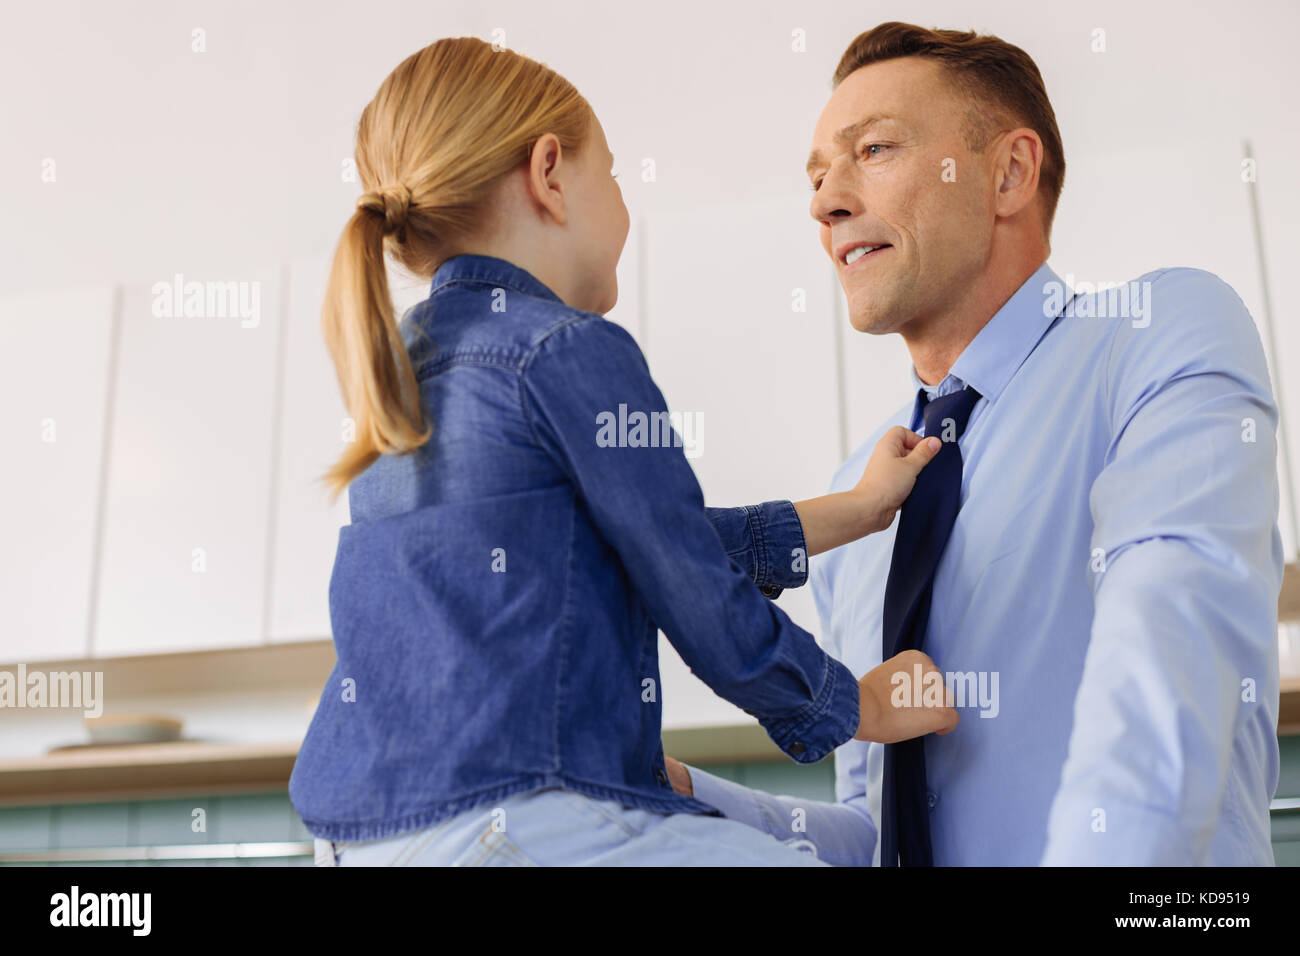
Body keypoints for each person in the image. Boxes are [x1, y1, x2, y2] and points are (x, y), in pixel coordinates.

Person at [288, 35, 958, 867]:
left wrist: (857, 511)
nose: (623, 204)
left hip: (360, 838)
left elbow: (634, 543)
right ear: (548, 175)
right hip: (520, 815)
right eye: (612, 174)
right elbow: (692, 588)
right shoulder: (566, 350)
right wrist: (853, 705)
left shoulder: (404, 370)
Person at [668, 21, 1285, 866]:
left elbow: (1172, 645)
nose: (824, 201)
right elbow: (875, 829)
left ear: (1008, 173)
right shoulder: (859, 504)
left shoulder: (1156, 335)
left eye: (873, 149)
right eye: (817, 177)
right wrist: (686, 801)